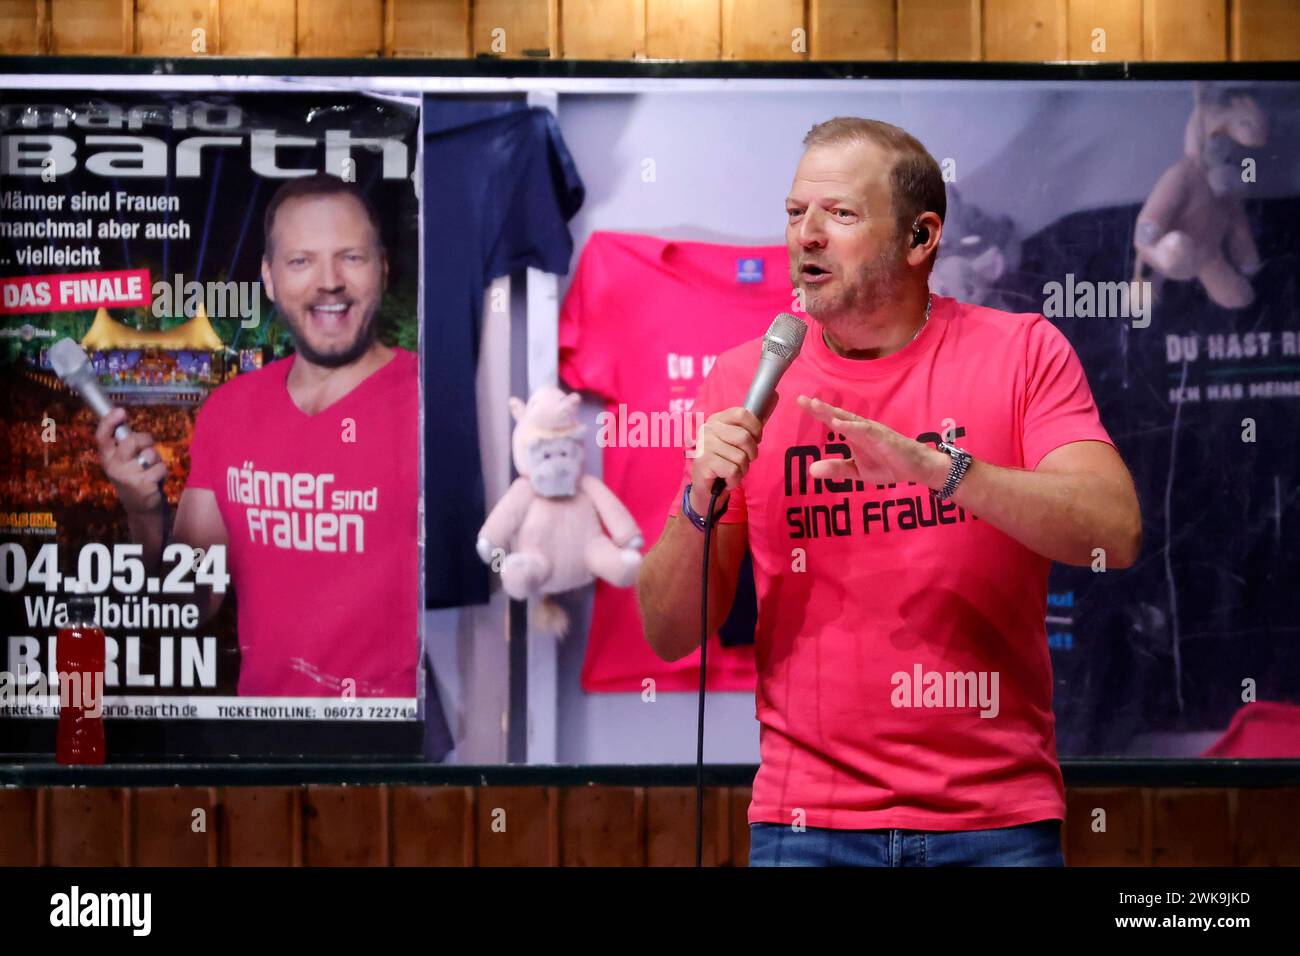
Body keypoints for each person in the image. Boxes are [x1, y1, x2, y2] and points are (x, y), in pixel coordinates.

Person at [636, 117, 1143, 867]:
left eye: (840, 214)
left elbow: (1114, 533)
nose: (806, 234)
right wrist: (696, 498)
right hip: (807, 824)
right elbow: (668, 633)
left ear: (920, 238)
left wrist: (942, 471)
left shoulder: (1023, 351)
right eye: (794, 212)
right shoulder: (743, 381)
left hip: (995, 822)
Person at [96, 173, 422, 701]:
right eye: (301, 261)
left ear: (382, 268)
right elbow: (194, 602)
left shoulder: (428, 400)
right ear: (269, 279)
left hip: (394, 755)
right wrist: (141, 512)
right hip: (264, 744)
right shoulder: (229, 410)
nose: (329, 281)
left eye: (351, 258)